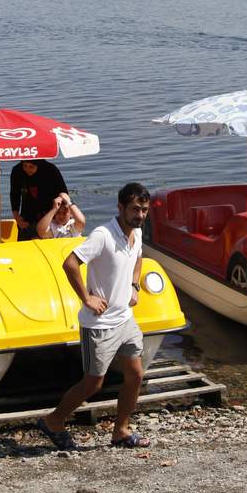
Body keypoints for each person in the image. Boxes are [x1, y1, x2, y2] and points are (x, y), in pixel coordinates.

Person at [37, 182, 152, 450]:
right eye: (135, 209)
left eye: (144, 210)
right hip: (99, 325)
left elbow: (138, 257)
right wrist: (86, 298)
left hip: (125, 319)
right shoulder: (103, 235)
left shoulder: (136, 233)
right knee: (93, 383)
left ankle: (121, 431)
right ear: (121, 207)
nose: (140, 215)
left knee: (135, 375)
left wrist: (134, 285)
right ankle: (53, 421)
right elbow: (70, 263)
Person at [10, 158, 68, 241]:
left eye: (31, 167)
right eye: (25, 166)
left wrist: (60, 214)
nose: (27, 169)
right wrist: (17, 217)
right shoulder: (17, 170)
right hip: (27, 216)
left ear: (38, 165)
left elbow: (64, 193)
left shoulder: (51, 170)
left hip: (50, 216)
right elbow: (14, 194)